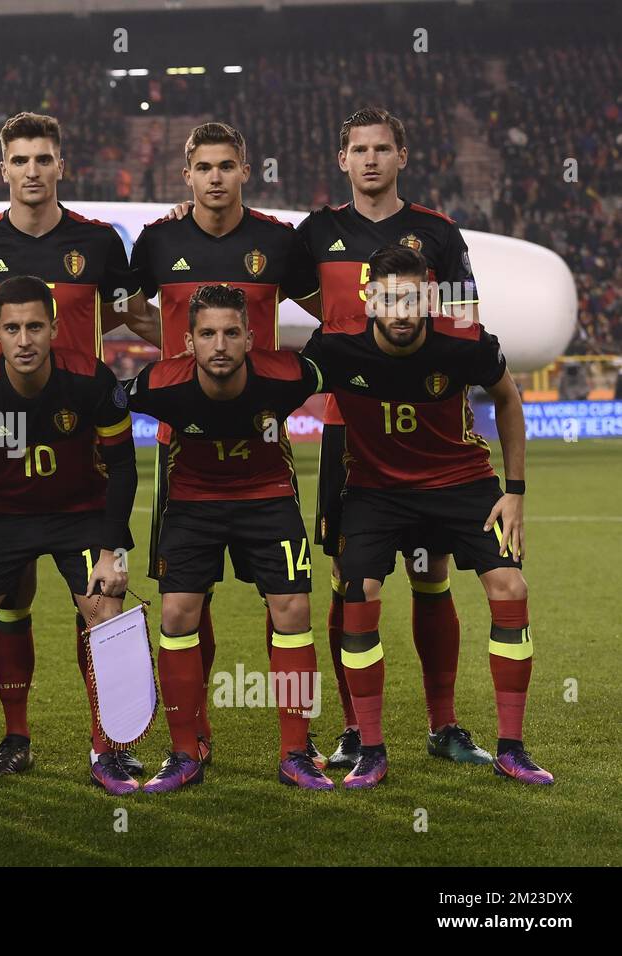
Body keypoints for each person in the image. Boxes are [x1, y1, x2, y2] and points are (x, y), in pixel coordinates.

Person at [0, 111, 158, 779]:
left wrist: (198, 351)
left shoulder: (98, 242)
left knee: (99, 605)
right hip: (3, 434)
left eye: (43, 159)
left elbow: (135, 315)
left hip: (81, 422)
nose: (32, 171)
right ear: (3, 169)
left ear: (61, 165)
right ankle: (10, 741)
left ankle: (108, 748)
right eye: (19, 161)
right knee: (5, 601)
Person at [300, 244, 551, 788]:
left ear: (430, 299)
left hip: (461, 484)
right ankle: (370, 749)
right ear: (371, 300)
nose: (400, 311)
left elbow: (508, 399)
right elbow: (277, 385)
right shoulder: (337, 346)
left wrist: (516, 492)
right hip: (375, 490)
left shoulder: (464, 343)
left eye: (412, 298)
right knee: (357, 591)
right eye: (388, 298)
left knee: (510, 586)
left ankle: (512, 748)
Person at [296, 107, 489, 770]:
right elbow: (278, 291)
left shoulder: (437, 231)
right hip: (348, 429)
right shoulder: (317, 232)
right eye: (359, 149)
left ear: (401, 155)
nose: (371, 159)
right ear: (342, 160)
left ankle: (444, 725)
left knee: (432, 574)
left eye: (382, 148)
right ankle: (355, 729)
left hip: (428, 433)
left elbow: (466, 321)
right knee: (350, 581)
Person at [0, 276, 138, 797]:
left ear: (54, 328)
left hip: (81, 514)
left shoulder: (90, 380)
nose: (24, 340)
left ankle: (106, 752)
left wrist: (112, 551)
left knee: (105, 611)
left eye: (35, 327)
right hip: (4, 517)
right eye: (13, 328)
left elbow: (124, 465)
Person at [124, 284, 331, 791]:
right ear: (188, 342)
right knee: (176, 614)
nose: (220, 344)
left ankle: (295, 753)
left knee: (294, 611)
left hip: (268, 496)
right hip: (192, 503)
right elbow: (99, 404)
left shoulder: (289, 374)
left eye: (231, 333)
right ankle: (182, 752)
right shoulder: (158, 383)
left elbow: (348, 365)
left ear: (250, 338)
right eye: (208, 333)